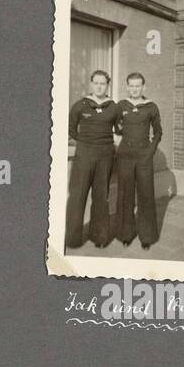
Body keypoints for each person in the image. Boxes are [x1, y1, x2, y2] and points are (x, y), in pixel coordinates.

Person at [65, 70, 121, 249]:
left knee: (100, 196)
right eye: (96, 83)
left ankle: (99, 237)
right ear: (91, 84)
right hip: (84, 155)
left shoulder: (114, 107)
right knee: (77, 196)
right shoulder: (80, 105)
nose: (99, 86)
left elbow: (120, 129)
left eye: (103, 83)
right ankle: (73, 239)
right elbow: (70, 128)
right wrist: (84, 141)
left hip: (105, 155)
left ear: (107, 85)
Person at [113, 72, 163, 248]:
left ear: (143, 87)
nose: (135, 89)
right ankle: (126, 234)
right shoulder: (121, 106)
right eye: (131, 86)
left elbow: (158, 132)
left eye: (138, 86)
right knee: (125, 195)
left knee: (146, 195)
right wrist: (118, 139)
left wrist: (150, 151)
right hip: (125, 156)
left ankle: (147, 238)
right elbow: (114, 126)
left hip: (144, 156)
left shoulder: (151, 107)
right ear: (127, 87)